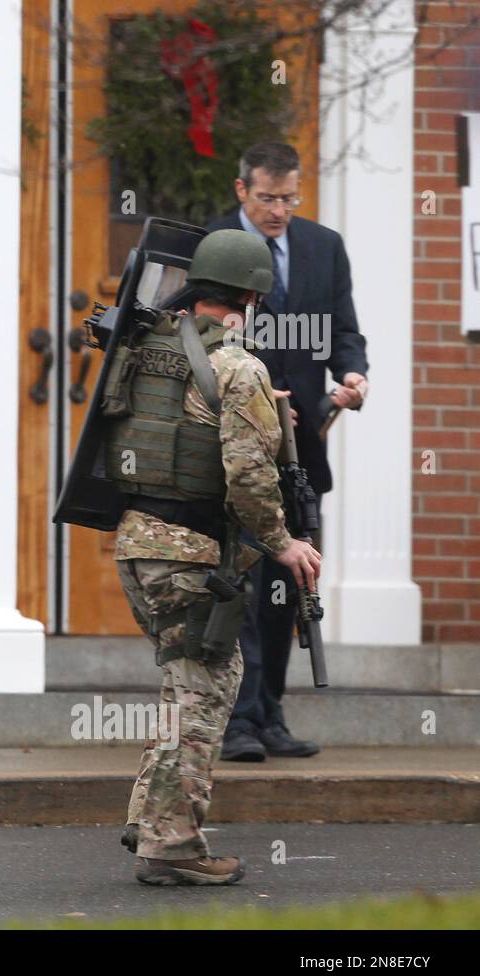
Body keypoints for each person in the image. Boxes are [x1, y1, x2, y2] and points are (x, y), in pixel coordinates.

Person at [110, 230, 322, 886]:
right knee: (207, 686)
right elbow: (249, 471)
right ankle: (172, 844)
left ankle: (152, 819)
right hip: (190, 553)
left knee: (186, 682)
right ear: (251, 295)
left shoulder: (149, 348)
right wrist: (285, 543)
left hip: (138, 545)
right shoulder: (240, 366)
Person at [207, 142, 369, 762]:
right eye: (268, 197)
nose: (280, 210)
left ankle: (270, 714)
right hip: (231, 448)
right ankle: (237, 721)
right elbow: (190, 331)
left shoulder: (323, 247)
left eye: (290, 197)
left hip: (302, 452)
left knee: (287, 589)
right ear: (242, 189)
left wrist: (352, 376)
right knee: (240, 591)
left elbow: (344, 330)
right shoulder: (215, 242)